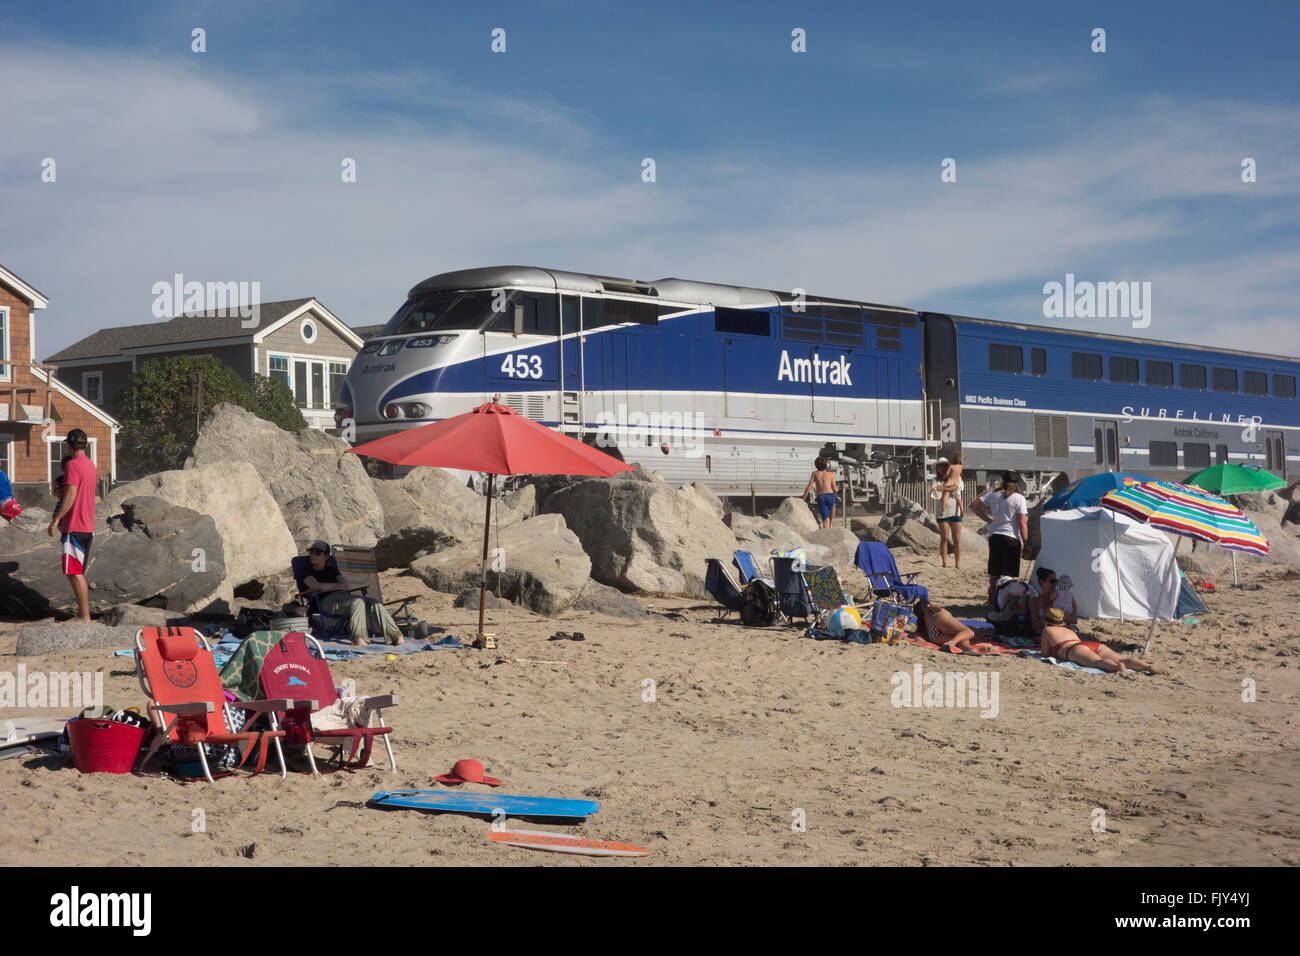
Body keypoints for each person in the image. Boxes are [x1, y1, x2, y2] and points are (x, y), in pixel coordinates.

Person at [297, 541, 405, 646]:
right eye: (311, 552)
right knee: (357, 602)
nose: (313, 555)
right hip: (323, 601)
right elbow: (316, 586)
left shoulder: (331, 570)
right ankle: (359, 638)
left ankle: (396, 636)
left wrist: (327, 587)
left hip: (343, 597)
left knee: (373, 603)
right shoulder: (305, 571)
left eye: (317, 553)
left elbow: (345, 586)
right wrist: (335, 586)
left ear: (326, 556)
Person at [45, 430, 97, 623]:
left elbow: (71, 495)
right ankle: (84, 615)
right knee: (76, 572)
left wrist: (56, 519)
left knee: (74, 573)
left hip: (74, 525)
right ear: (85, 445)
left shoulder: (73, 465)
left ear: (69, 445)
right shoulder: (90, 465)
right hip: (87, 525)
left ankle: (84, 616)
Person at [1040, 608, 1163, 674]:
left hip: (1074, 649)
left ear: (1046, 621)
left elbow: (1045, 654)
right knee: (1122, 658)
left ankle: (1116, 667)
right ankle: (1147, 666)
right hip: (1090, 644)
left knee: (1097, 662)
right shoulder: (1069, 630)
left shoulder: (1048, 630)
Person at [971, 471, 1030, 605]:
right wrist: (1026, 543)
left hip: (995, 536)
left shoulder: (993, 494)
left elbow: (974, 506)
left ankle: (992, 599)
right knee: (1009, 573)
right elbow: (1022, 522)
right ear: (1016, 483)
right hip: (1011, 538)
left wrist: (988, 520)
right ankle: (1005, 601)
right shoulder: (1019, 498)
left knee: (995, 572)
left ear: (1003, 481)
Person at [912, 599, 978, 653]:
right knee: (969, 632)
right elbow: (941, 610)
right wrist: (930, 606)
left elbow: (918, 636)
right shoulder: (929, 609)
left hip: (934, 636)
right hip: (937, 619)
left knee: (961, 638)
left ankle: (970, 650)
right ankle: (952, 642)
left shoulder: (923, 625)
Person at [1028, 567, 1078, 634]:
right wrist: (1058, 619)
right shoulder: (1036, 599)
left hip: (1060, 631)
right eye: (1052, 581)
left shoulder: (1063, 597)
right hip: (1045, 633)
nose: (1055, 584)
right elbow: (1035, 624)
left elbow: (1074, 620)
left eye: (1056, 581)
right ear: (1042, 582)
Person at [933, 457, 963, 568]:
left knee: (957, 539)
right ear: (937, 468)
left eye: (945, 465)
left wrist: (946, 487)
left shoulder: (957, 477)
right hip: (943, 513)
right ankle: (945, 563)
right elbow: (937, 490)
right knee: (944, 537)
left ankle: (957, 564)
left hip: (956, 511)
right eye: (940, 466)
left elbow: (959, 487)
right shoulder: (935, 480)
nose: (942, 468)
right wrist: (951, 487)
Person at [803, 457, 838, 529]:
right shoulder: (830, 474)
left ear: (816, 465)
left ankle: (826, 533)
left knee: (825, 520)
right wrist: (835, 494)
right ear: (826, 465)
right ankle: (831, 525)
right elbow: (834, 488)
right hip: (830, 495)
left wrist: (803, 498)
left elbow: (809, 487)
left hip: (821, 497)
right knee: (832, 512)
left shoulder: (815, 474)